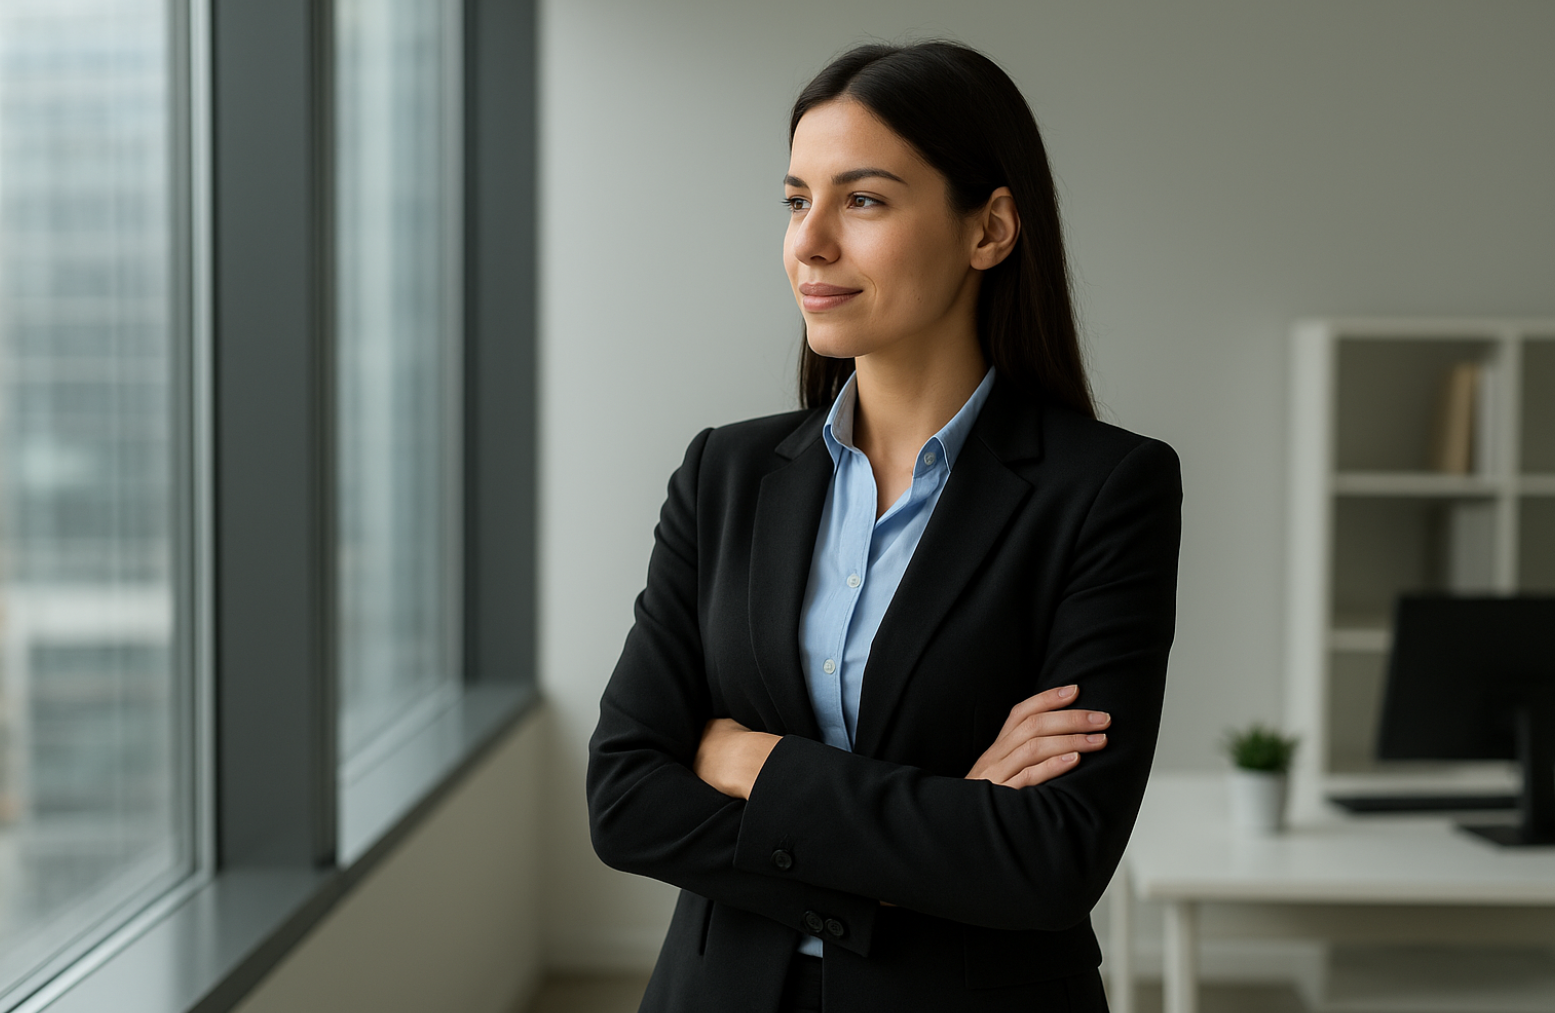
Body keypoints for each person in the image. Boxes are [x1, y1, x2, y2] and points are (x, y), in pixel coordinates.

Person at [587, 40, 1181, 1013]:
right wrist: (942, 831)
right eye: (796, 200)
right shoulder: (723, 473)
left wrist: (752, 762)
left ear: (989, 229)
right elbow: (624, 799)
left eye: (862, 200)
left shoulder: (1107, 489)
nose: (809, 242)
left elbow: (1051, 856)